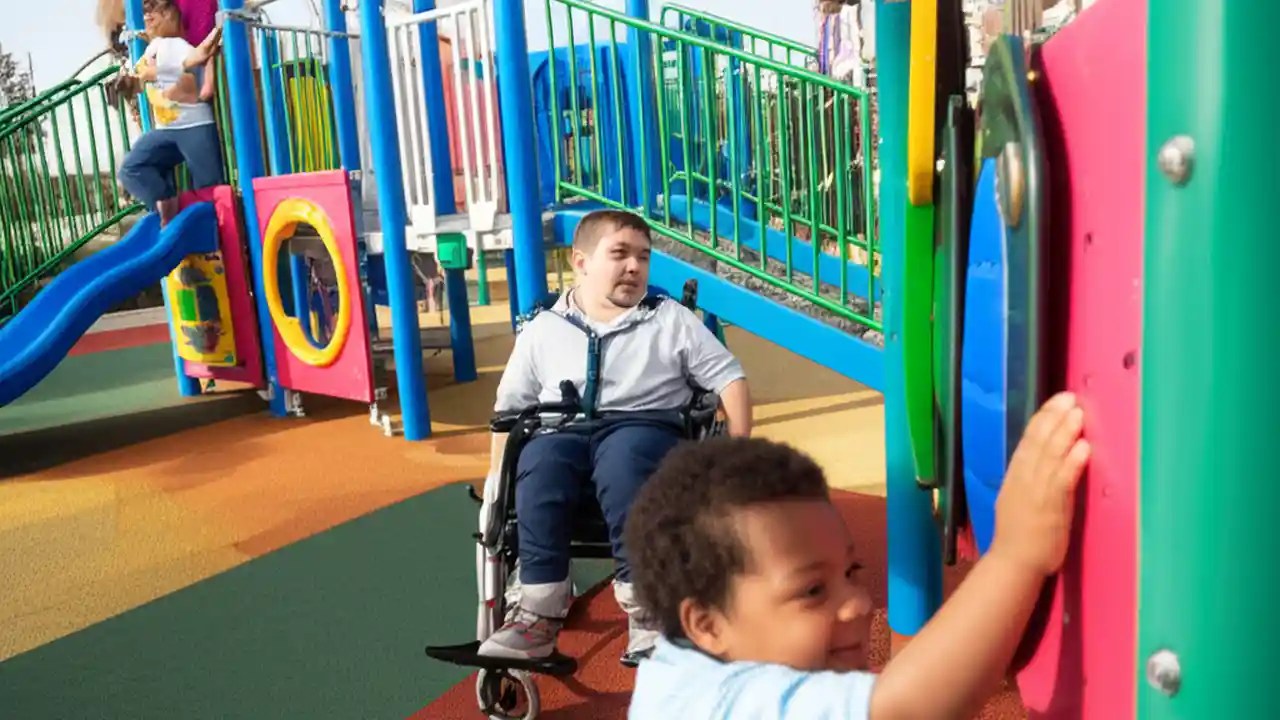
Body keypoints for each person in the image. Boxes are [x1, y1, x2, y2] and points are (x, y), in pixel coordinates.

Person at [626, 392, 1091, 718]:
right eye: (812, 590)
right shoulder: (717, 705)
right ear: (707, 624)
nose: (859, 603)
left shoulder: (685, 669)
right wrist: (1016, 556)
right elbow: (908, 709)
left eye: (851, 571)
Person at [478, 209, 753, 667]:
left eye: (643, 258)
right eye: (620, 254)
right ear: (580, 262)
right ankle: (538, 613)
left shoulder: (669, 319)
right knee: (541, 461)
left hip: (644, 429)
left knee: (625, 459)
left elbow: (730, 378)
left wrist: (740, 451)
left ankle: (647, 613)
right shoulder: (545, 329)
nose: (634, 267)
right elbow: (509, 413)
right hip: (562, 430)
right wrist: (496, 482)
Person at [117, 0, 224, 224]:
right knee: (131, 169)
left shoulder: (175, 45)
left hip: (194, 126)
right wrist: (126, 85)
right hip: (167, 130)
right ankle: (167, 204)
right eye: (144, 12)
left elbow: (194, 61)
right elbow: (138, 84)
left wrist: (217, 33)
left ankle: (216, 240)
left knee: (210, 190)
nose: (146, 17)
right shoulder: (150, 50)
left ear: (168, 16)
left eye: (151, 12)